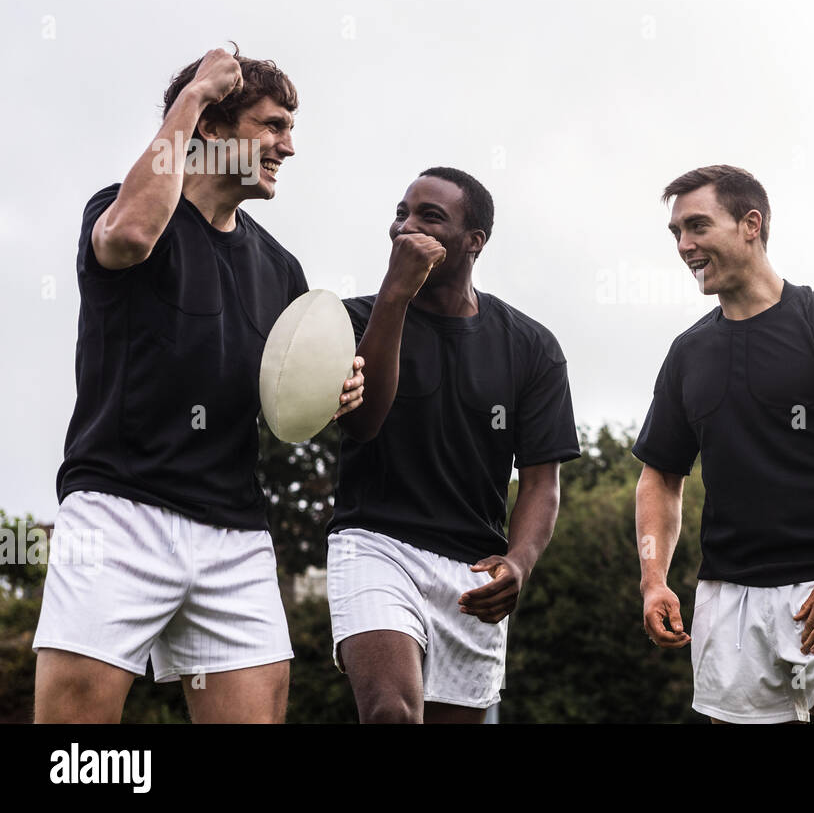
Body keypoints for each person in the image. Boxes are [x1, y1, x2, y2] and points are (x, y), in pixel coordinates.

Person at [34, 47, 364, 723]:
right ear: (211, 128)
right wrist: (192, 96)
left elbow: (282, 411)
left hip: (235, 533)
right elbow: (127, 234)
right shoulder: (124, 210)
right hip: (119, 512)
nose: (288, 147)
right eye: (272, 126)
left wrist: (332, 392)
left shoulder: (282, 270)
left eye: (290, 129)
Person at [633, 165, 814, 723]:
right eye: (676, 234)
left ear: (750, 224)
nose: (685, 246)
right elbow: (660, 478)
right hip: (729, 600)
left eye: (697, 227)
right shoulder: (687, 355)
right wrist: (653, 580)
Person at [329, 167, 579, 723]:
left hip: (472, 570)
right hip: (375, 545)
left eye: (429, 216)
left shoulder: (533, 347)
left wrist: (520, 561)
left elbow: (541, 481)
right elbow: (363, 422)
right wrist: (396, 293)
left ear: (474, 241)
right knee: (391, 712)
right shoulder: (353, 320)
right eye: (401, 213)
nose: (406, 226)